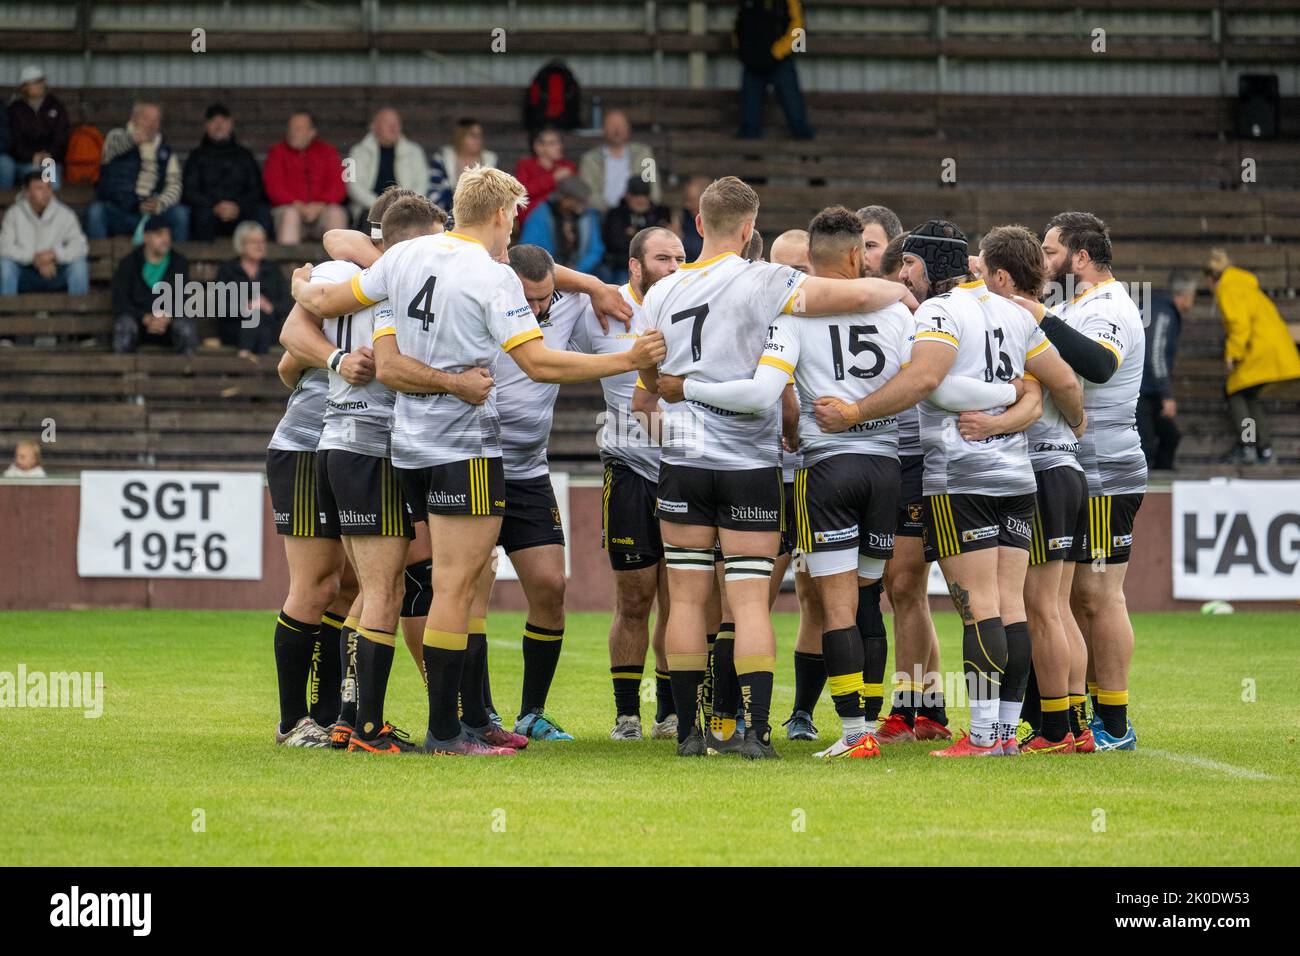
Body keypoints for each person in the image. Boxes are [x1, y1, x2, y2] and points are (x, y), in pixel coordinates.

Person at [288, 166, 665, 757]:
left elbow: (328, 298)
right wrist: (627, 360)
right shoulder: (493, 277)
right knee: (457, 589)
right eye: (514, 214)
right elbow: (538, 363)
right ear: (499, 214)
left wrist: (300, 288)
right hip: (466, 447)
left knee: (399, 589)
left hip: (405, 446)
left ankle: (407, 722)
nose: (513, 224)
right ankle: (448, 731)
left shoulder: (402, 258)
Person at [633, 176, 908, 760]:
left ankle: (690, 734)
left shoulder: (660, 292)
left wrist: (681, 390)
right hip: (750, 463)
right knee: (750, 600)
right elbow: (855, 297)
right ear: (751, 230)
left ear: (699, 225)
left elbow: (650, 382)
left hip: (682, 459)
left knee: (684, 600)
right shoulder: (767, 280)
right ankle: (756, 734)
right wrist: (900, 294)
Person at [814, 219, 1058, 757]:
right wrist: (1023, 406)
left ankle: (984, 736)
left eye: (909, 263)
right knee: (1010, 604)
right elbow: (1053, 380)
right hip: (1015, 474)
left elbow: (929, 383)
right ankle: (1005, 734)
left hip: (958, 474)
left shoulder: (938, 311)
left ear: (923, 267)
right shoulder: (1012, 310)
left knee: (980, 606)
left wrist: (854, 411)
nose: (902, 271)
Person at [975, 225, 1089, 754]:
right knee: (1058, 605)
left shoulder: (1011, 316)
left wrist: (1075, 411)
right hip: (1069, 469)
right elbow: (1070, 382)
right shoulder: (1052, 315)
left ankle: (1054, 729)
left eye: (982, 272)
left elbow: (1063, 382)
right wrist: (1076, 417)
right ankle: (1077, 723)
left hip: (1040, 470)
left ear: (1000, 275)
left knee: (1040, 606)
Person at [1036, 211, 1147, 752]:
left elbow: (1099, 365)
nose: (1044, 259)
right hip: (1083, 469)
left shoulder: (1110, 307)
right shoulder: (1075, 305)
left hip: (1108, 471)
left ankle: (1117, 722)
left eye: (1051, 250)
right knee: (1079, 597)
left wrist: (1038, 315)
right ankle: (1093, 717)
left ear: (1081, 257)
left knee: (1100, 595)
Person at [569, 226, 685, 740]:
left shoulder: (695, 303)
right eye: (663, 258)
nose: (675, 266)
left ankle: (670, 711)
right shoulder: (604, 307)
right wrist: (592, 285)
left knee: (679, 598)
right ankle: (626, 716)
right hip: (629, 469)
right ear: (635, 266)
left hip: (686, 469)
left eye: (682, 256)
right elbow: (531, 271)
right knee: (634, 599)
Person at [1206, 248, 1300, 466]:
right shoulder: (1245, 285)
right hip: (1274, 352)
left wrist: (1233, 354)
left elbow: (1240, 325)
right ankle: (1265, 449)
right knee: (1250, 395)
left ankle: (1247, 446)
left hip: (1259, 352)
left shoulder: (1227, 289)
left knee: (1235, 392)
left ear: (1211, 279)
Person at [86, 102, 189, 241]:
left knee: (180, 214)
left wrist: (159, 204)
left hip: (150, 216)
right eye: (146, 118)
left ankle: (176, 262)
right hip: (119, 211)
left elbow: (175, 185)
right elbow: (113, 147)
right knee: (96, 211)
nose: (151, 124)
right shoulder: (116, 136)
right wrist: (132, 139)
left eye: (156, 120)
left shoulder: (166, 152)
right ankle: (99, 261)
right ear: (133, 119)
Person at [182, 103, 270, 242]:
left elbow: (256, 189)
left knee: (261, 211)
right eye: (214, 121)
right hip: (209, 212)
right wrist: (215, 206)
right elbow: (189, 191)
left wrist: (237, 206)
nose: (219, 125)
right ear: (206, 125)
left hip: (241, 211)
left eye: (223, 121)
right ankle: (202, 261)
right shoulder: (196, 156)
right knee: (200, 214)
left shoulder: (244, 155)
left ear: (230, 124)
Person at [110, 218, 197, 355]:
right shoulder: (129, 263)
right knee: (124, 326)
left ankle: (187, 373)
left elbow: (184, 299)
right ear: (146, 237)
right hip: (138, 324)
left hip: (168, 326)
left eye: (167, 234)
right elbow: (120, 300)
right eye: (159, 234)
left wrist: (167, 317)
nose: (165, 239)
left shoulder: (179, 263)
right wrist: (145, 318)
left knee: (185, 328)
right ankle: (124, 373)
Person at [263, 111, 348, 245]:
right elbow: (274, 188)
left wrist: (320, 205)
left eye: (299, 129)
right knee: (291, 215)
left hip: (321, 210)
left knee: (336, 213)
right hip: (290, 209)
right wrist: (297, 205)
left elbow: (339, 187)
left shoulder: (327, 152)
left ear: (312, 132)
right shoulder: (277, 152)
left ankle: (338, 265)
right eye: (291, 128)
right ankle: (289, 264)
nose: (292, 132)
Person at [1138, 271, 1194, 471]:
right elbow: (1155, 354)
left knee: (1169, 437)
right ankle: (1142, 494)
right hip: (1142, 390)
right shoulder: (1164, 313)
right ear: (1186, 294)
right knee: (1145, 446)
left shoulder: (1157, 307)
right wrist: (1167, 395)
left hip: (1147, 388)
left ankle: (1160, 479)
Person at [734, 0, 814, 140]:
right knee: (748, 121)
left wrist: (777, 52)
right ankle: (750, 158)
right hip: (752, 63)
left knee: (795, 114)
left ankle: (808, 155)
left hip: (780, 62)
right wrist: (743, 52)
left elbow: (799, 27)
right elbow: (739, 26)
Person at [0, 171, 89, 296]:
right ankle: (6, 313)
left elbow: (80, 245)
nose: (46, 193)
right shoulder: (13, 214)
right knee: (6, 265)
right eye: (39, 188)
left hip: (55, 273)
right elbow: (4, 247)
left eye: (48, 187)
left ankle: (80, 312)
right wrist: (34, 258)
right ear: (27, 193)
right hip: (26, 275)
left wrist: (54, 254)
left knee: (79, 265)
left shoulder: (65, 214)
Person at [214, 222, 291, 356]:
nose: (260, 246)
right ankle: (256, 372)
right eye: (254, 242)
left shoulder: (272, 270)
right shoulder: (228, 270)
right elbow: (219, 305)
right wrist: (246, 307)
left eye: (262, 241)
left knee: (261, 322)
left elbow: (287, 304)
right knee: (256, 319)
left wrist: (269, 307)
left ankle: (244, 356)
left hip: (268, 325)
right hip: (235, 327)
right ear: (241, 245)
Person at [345, 107, 429, 224]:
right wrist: (379, 206)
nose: (393, 127)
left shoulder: (414, 152)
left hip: (407, 211)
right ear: (374, 127)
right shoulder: (358, 151)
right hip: (369, 210)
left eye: (396, 123)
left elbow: (422, 184)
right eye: (387, 123)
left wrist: (404, 204)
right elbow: (353, 186)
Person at [578, 110, 662, 214]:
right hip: (602, 213)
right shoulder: (590, 159)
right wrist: (610, 211)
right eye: (612, 125)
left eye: (621, 125)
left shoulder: (644, 153)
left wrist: (643, 207)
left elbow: (653, 187)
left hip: (638, 211)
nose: (617, 129)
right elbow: (588, 192)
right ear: (603, 129)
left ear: (628, 128)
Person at [518, 175, 603, 273]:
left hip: (579, 274)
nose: (581, 205)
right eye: (577, 201)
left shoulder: (587, 216)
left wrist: (577, 269)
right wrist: (551, 271)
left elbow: (596, 250)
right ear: (564, 198)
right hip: (546, 273)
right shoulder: (541, 214)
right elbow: (527, 249)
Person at [5, 65, 70, 189]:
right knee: (34, 183)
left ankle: (50, 209)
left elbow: (62, 137)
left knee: (52, 185)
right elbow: (13, 140)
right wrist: (32, 156)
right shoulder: (15, 109)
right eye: (34, 82)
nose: (39, 85)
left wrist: (49, 155)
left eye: (41, 81)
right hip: (25, 162)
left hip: (49, 160)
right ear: (24, 87)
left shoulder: (55, 105)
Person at [599, 176, 670, 284]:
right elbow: (615, 243)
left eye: (644, 195)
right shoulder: (615, 214)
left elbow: (666, 242)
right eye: (636, 195)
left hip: (655, 265)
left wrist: (634, 233)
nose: (640, 200)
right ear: (628, 195)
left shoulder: (660, 212)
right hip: (622, 265)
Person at [428, 117, 497, 213]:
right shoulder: (442, 158)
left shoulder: (490, 161)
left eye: (480, 135)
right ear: (460, 137)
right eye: (472, 135)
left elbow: (495, 195)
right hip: (447, 215)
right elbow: (433, 193)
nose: (478, 140)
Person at [513, 125, 575, 226]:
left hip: (563, 214)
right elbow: (522, 192)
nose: (559, 147)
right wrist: (553, 178)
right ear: (538, 147)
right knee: (543, 210)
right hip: (533, 216)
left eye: (559, 142)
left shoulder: (567, 166)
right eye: (552, 143)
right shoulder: (526, 165)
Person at [672, 175, 709, 261]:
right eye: (685, 200)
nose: (687, 205)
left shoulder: (718, 220)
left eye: (691, 200)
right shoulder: (685, 216)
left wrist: (680, 238)